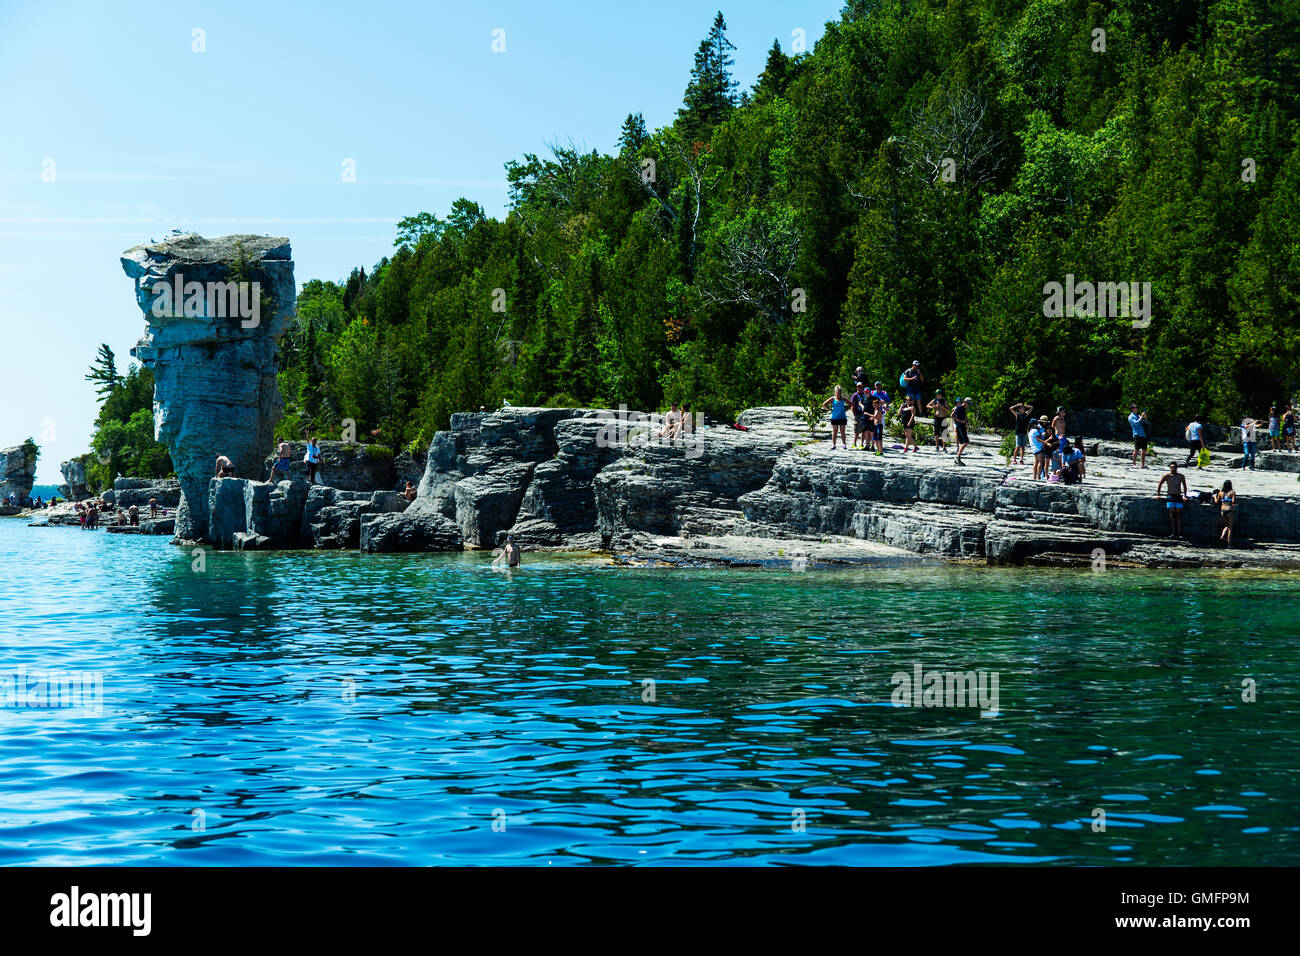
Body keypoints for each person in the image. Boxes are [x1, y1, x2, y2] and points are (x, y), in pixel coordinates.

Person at [1156, 462, 1188, 539]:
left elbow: (1184, 486)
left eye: (1174, 467)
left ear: (1177, 468)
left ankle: (1179, 533)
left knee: (1178, 514)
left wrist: (1185, 496)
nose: (1173, 469)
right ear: (1170, 468)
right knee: (1172, 514)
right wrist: (1158, 494)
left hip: (1178, 496)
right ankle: (1174, 533)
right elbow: (1160, 484)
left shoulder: (1181, 476)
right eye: (1172, 467)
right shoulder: (1166, 476)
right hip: (1170, 496)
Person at [823, 386, 849, 450]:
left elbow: (851, 404)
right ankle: (834, 444)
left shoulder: (843, 399)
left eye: (840, 391)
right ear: (835, 392)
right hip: (834, 417)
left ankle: (844, 444)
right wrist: (830, 410)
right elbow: (824, 404)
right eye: (837, 391)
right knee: (835, 431)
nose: (839, 393)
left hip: (842, 417)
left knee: (843, 431)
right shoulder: (833, 399)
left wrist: (846, 409)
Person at [1213, 480, 1237, 547]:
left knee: (1226, 526)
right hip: (1229, 510)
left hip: (1222, 511)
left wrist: (1215, 496)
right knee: (1230, 528)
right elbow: (1233, 502)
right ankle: (1229, 544)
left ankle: (1222, 537)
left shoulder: (1221, 492)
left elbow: (1217, 502)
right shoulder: (1232, 492)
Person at [1010, 400, 1033, 465]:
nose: (1023, 409)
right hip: (1018, 432)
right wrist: (1017, 405)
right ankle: (1014, 459)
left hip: (1024, 432)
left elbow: (1031, 408)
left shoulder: (1025, 414)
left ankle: (1021, 459)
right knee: (1017, 446)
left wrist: (1024, 405)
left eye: (1023, 408)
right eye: (1021, 408)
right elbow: (1011, 408)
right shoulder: (1017, 415)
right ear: (1019, 409)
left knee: (1023, 447)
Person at [849, 382, 869, 450]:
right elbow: (852, 404)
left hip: (863, 414)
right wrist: (854, 413)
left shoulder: (864, 394)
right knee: (857, 430)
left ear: (862, 387)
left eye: (860, 386)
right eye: (858, 386)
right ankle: (854, 443)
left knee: (863, 430)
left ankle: (861, 444)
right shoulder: (855, 395)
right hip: (857, 414)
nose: (859, 388)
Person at [951, 397, 971, 465]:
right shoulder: (959, 408)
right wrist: (961, 421)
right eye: (968, 403)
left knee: (963, 443)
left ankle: (958, 458)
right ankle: (958, 457)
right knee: (966, 442)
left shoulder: (963, 409)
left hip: (962, 427)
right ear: (965, 402)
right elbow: (952, 415)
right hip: (960, 427)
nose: (969, 405)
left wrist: (965, 421)